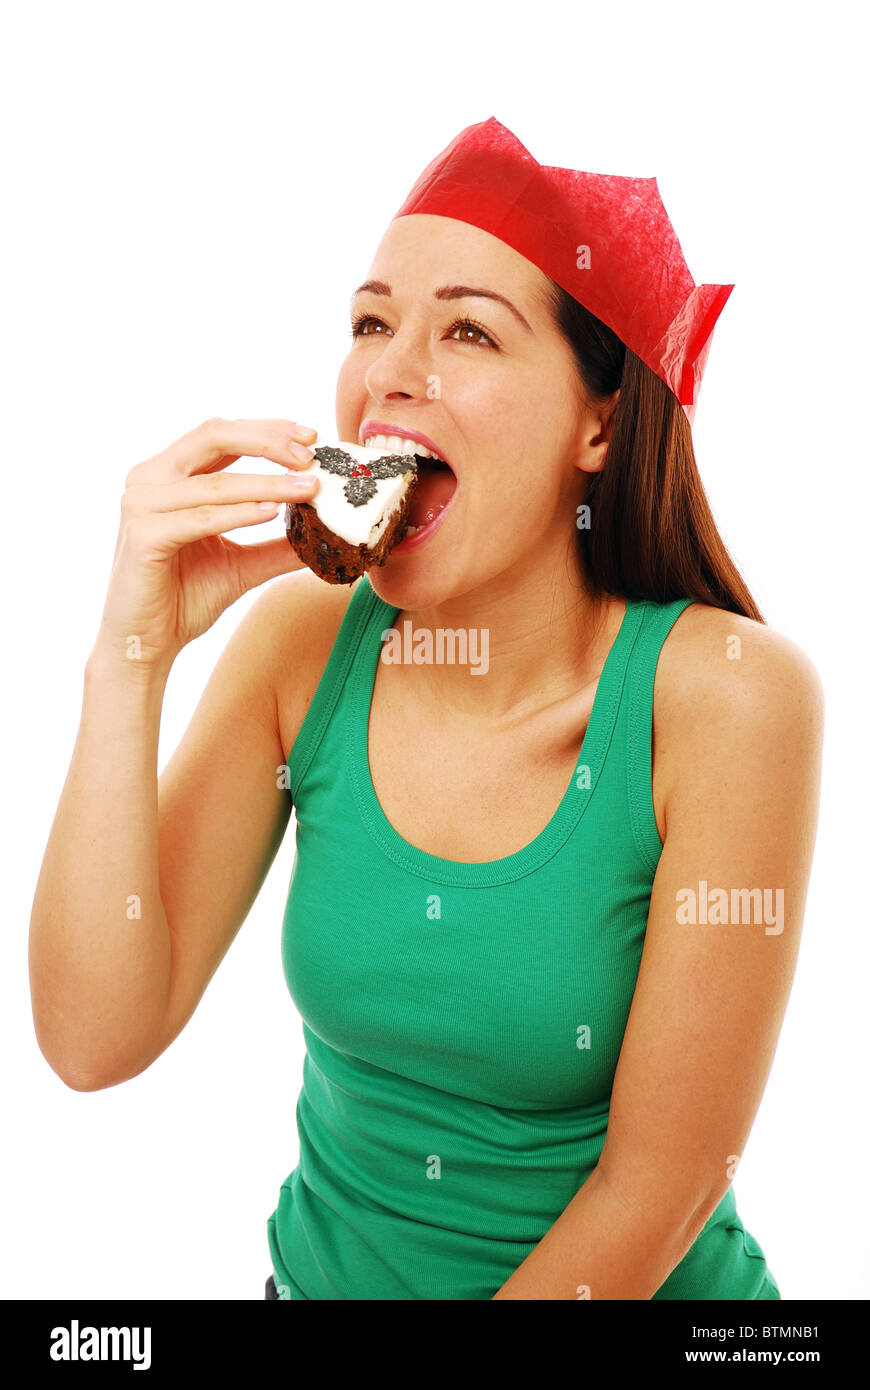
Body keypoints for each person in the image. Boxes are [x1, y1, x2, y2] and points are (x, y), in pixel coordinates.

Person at [29, 119, 824, 1300]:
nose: (388, 369)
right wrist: (129, 653)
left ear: (599, 425)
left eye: (466, 329)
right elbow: (95, 1039)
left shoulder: (729, 697)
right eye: (368, 321)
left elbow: (660, 1187)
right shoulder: (301, 650)